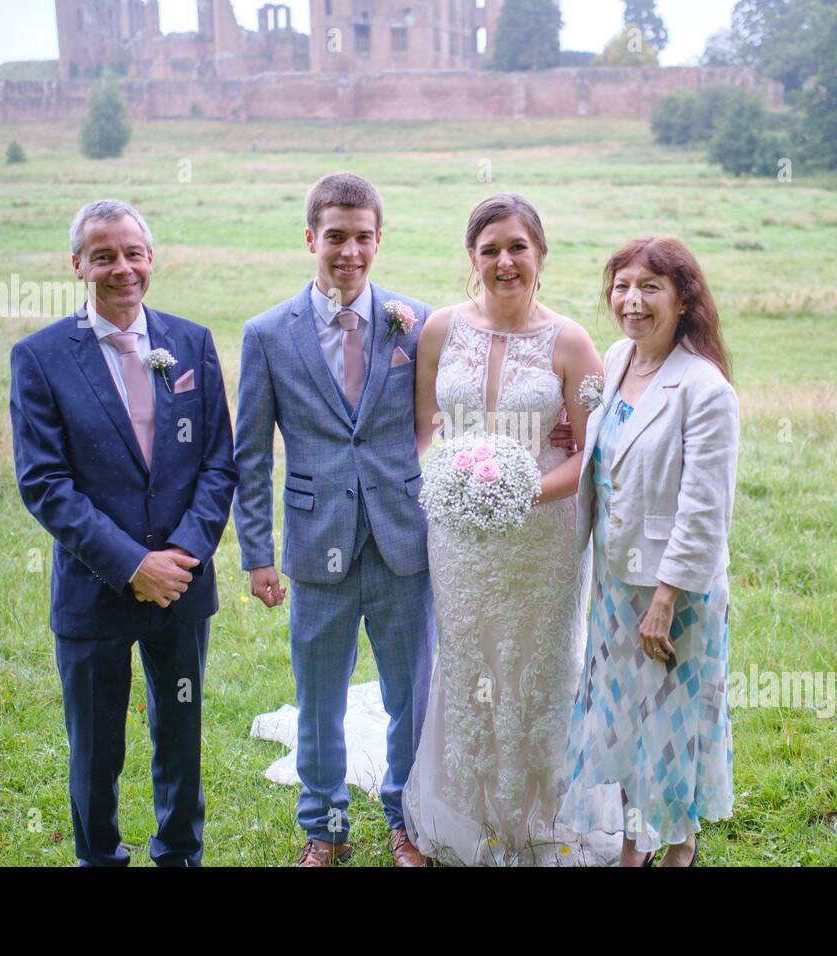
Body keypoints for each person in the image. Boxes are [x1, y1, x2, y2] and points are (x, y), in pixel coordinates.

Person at [9, 199, 238, 866]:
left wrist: (184, 554)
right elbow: (45, 483)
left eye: (133, 253)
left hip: (181, 588)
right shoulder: (41, 357)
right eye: (103, 256)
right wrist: (133, 564)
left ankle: (178, 855)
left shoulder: (190, 341)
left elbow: (218, 461)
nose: (121, 268)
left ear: (150, 258)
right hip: (94, 591)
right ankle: (99, 857)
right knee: (96, 749)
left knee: (181, 738)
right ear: (77, 265)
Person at [401, 193, 620, 866]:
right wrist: (446, 488)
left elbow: (590, 452)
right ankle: (465, 810)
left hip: (546, 538)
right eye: (490, 248)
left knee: (538, 668)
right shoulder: (437, 331)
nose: (504, 262)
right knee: (467, 660)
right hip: (460, 538)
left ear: (541, 256)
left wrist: (526, 491)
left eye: (517, 248)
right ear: (472, 257)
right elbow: (421, 432)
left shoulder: (573, 342)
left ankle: (546, 813)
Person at [233, 173, 438, 867]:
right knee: (318, 696)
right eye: (335, 238)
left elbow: (447, 420)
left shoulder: (416, 319)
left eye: (362, 238)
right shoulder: (267, 335)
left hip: (404, 541)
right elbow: (251, 452)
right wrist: (258, 554)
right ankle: (324, 827)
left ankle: (407, 819)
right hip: (316, 544)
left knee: (413, 691)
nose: (348, 252)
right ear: (310, 239)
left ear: (379, 239)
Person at [558, 236, 739, 867]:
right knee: (628, 720)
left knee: (673, 722)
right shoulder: (618, 357)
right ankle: (644, 841)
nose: (631, 301)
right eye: (622, 286)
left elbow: (704, 508)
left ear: (684, 299)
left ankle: (675, 847)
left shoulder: (705, 389)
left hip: (671, 592)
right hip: (613, 579)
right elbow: (611, 449)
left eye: (650, 288)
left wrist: (665, 600)